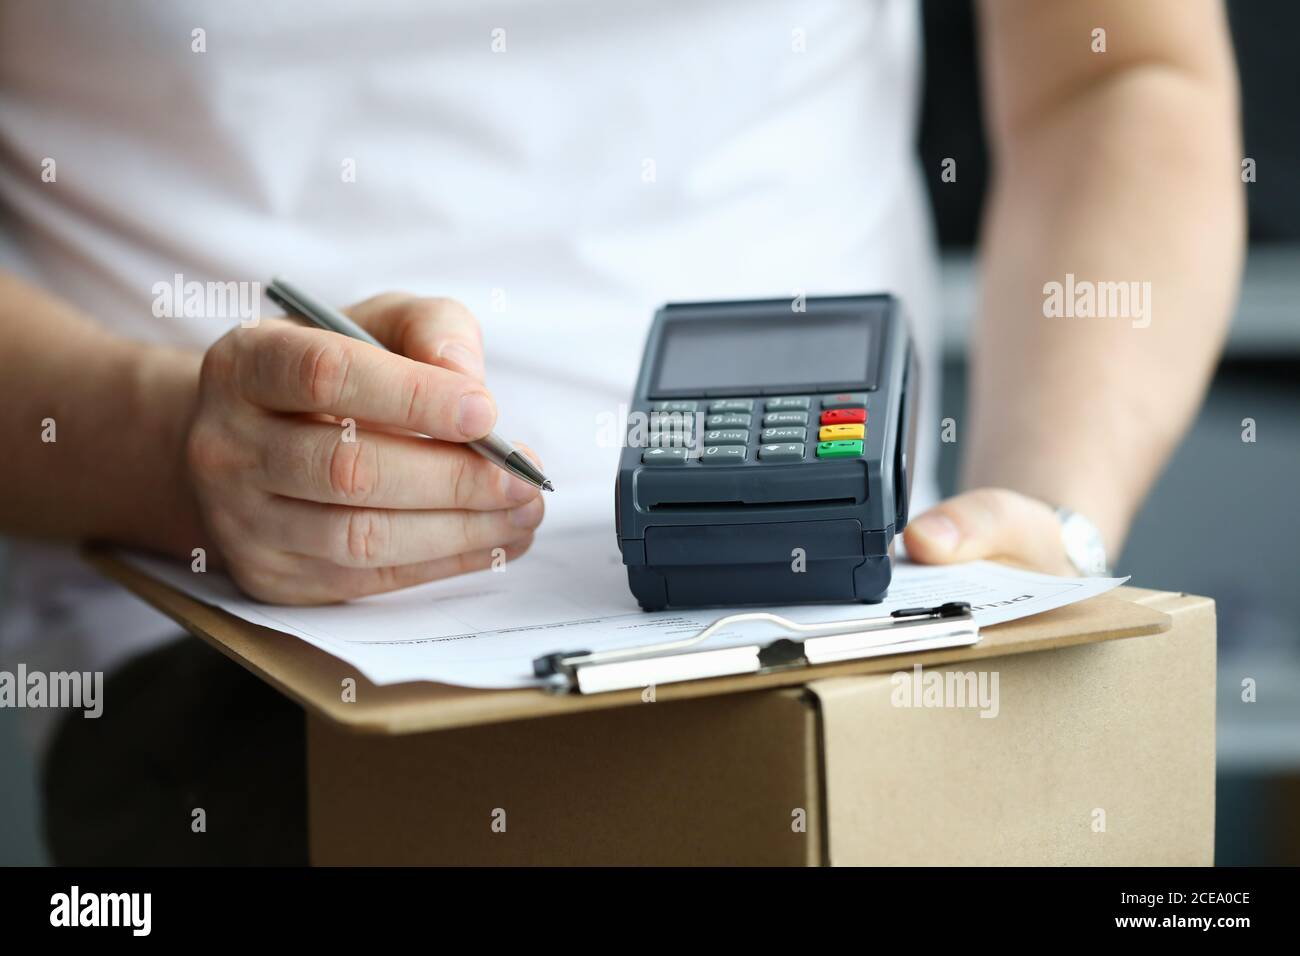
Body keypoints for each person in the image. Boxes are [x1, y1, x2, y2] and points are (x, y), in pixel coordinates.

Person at [0, 0, 1243, 863]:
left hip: (876, 615)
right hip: (249, 669)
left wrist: (1049, 525)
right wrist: (174, 448)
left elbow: (1120, 69)